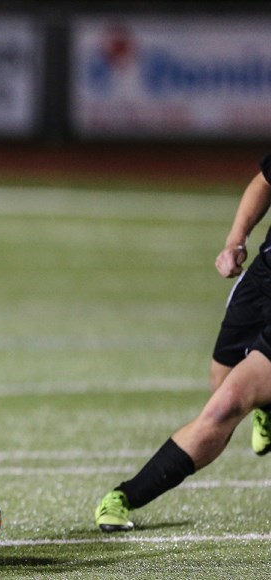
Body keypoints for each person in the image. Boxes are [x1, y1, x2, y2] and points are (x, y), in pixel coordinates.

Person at [94, 154, 271, 532]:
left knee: (225, 407)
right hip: (264, 280)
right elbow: (264, 181)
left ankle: (124, 497)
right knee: (220, 385)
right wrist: (236, 240)